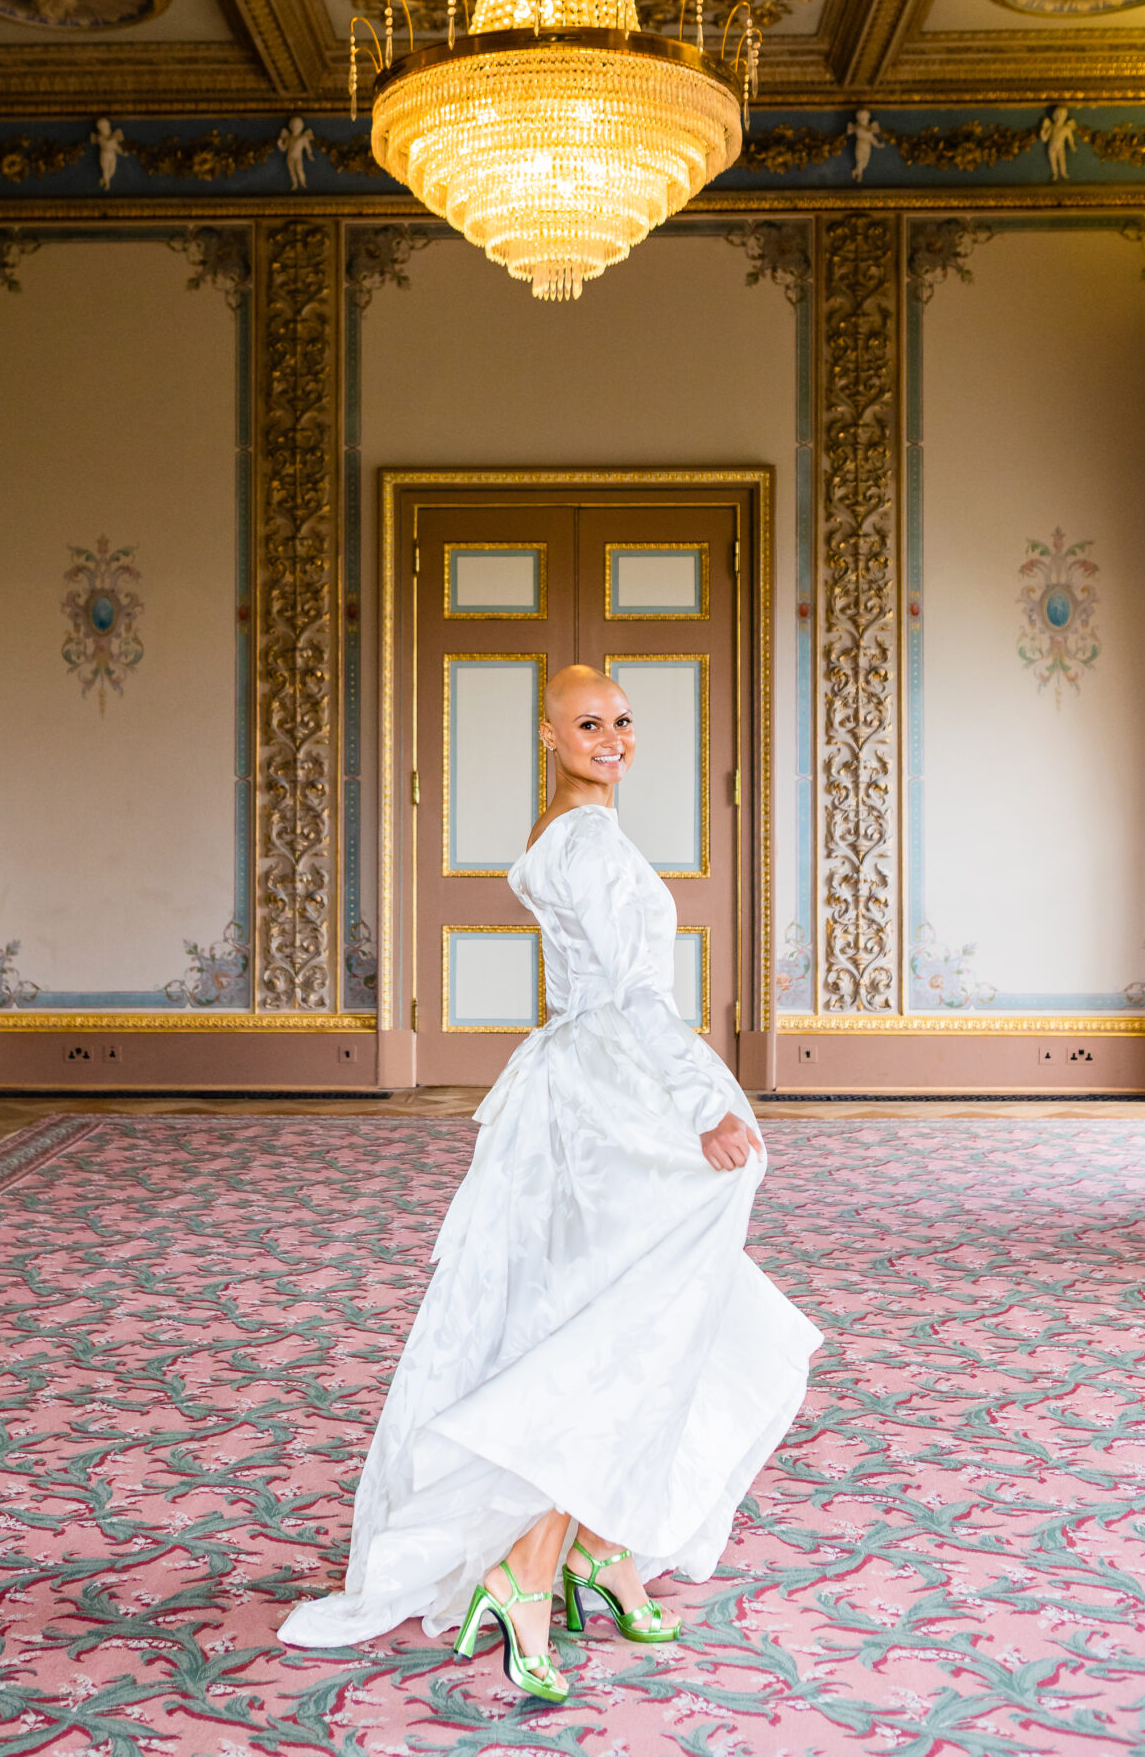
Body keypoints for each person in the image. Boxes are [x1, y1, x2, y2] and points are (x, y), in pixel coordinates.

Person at [278, 665, 820, 1702]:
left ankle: (595, 1541)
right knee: (616, 1317)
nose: (612, 736)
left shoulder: (562, 835)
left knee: (612, 1307)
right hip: (612, 1086)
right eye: (588, 722)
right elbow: (634, 997)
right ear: (548, 731)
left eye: (622, 719)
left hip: (577, 1082)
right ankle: (530, 1565)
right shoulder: (588, 845)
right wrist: (705, 1099)